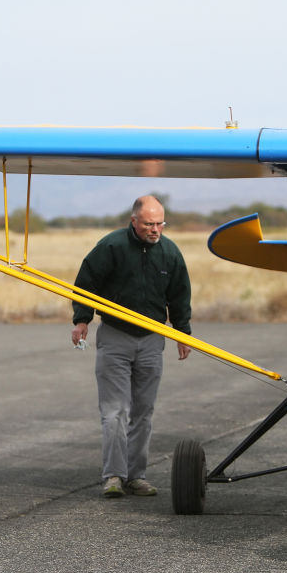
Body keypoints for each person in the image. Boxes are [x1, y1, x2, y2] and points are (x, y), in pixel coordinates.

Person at [71, 195, 192, 498]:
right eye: (149, 224)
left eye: (160, 223)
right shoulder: (111, 247)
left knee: (143, 411)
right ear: (134, 221)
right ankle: (113, 475)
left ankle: (136, 476)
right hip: (115, 336)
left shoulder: (170, 253)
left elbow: (179, 296)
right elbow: (85, 283)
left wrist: (182, 333)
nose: (155, 230)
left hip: (152, 339)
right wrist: (82, 320)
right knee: (115, 411)